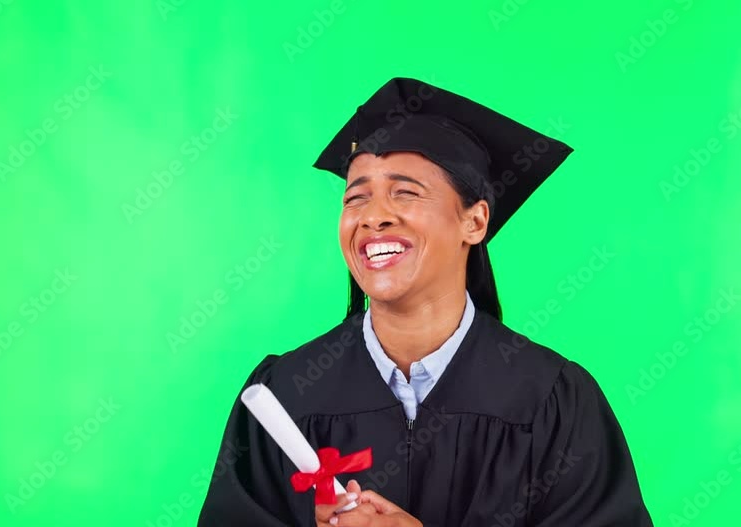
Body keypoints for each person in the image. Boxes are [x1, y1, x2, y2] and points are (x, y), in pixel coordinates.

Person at [197, 78, 653, 526]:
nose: (373, 216)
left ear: (475, 222)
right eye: (356, 198)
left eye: (405, 192)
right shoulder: (288, 393)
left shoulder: (551, 401)